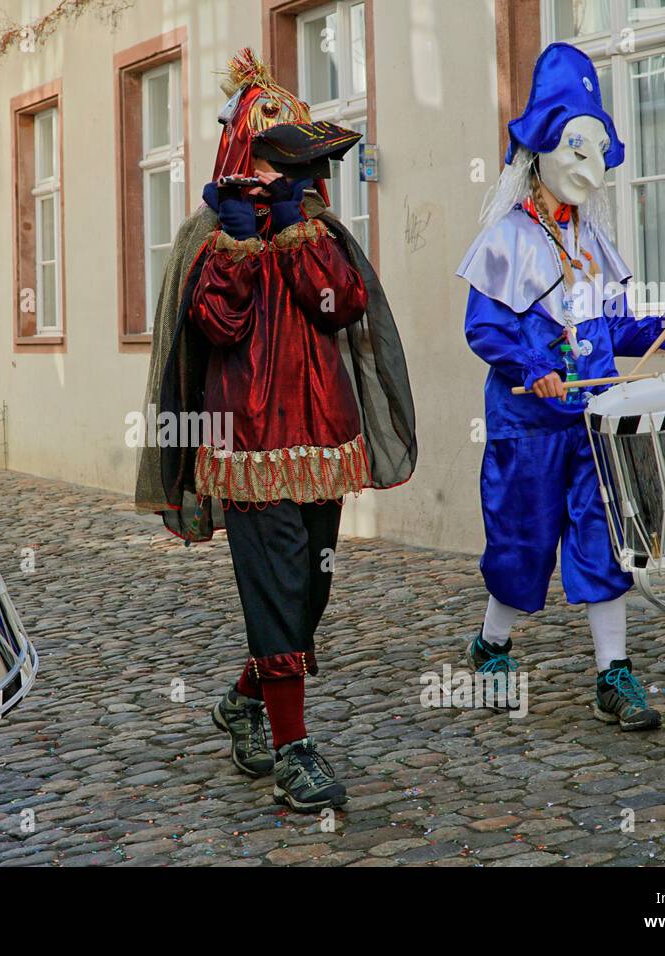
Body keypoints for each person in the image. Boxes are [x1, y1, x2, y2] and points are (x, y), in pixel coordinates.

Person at [135, 49, 416, 812]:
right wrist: (238, 247)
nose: (290, 177)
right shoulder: (208, 235)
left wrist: (296, 230)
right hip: (250, 444)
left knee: (309, 594)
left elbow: (341, 306)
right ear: (243, 156)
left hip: (322, 439)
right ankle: (295, 752)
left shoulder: (318, 227)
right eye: (275, 162)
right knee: (276, 588)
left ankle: (242, 700)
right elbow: (217, 326)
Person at [457, 42, 665, 730]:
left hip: (593, 422)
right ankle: (492, 644)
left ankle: (613, 672)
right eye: (576, 148)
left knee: (603, 534)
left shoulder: (592, 243)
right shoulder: (506, 239)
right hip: (528, 426)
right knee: (523, 541)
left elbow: (614, 330)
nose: (590, 169)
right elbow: (485, 330)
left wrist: (662, 327)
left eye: (599, 150)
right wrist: (534, 369)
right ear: (543, 150)